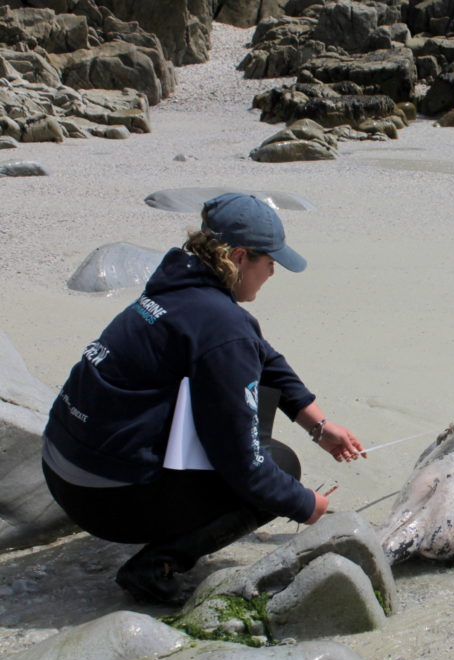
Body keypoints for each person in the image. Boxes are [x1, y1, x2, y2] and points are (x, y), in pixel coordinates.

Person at [41, 193, 365, 606]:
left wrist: (318, 425)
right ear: (239, 256)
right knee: (280, 466)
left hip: (60, 469)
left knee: (259, 452)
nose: (272, 272)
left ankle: (156, 511)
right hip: (100, 499)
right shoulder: (222, 326)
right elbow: (246, 467)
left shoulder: (175, 288)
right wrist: (305, 504)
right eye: (270, 262)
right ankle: (153, 567)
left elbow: (262, 355)